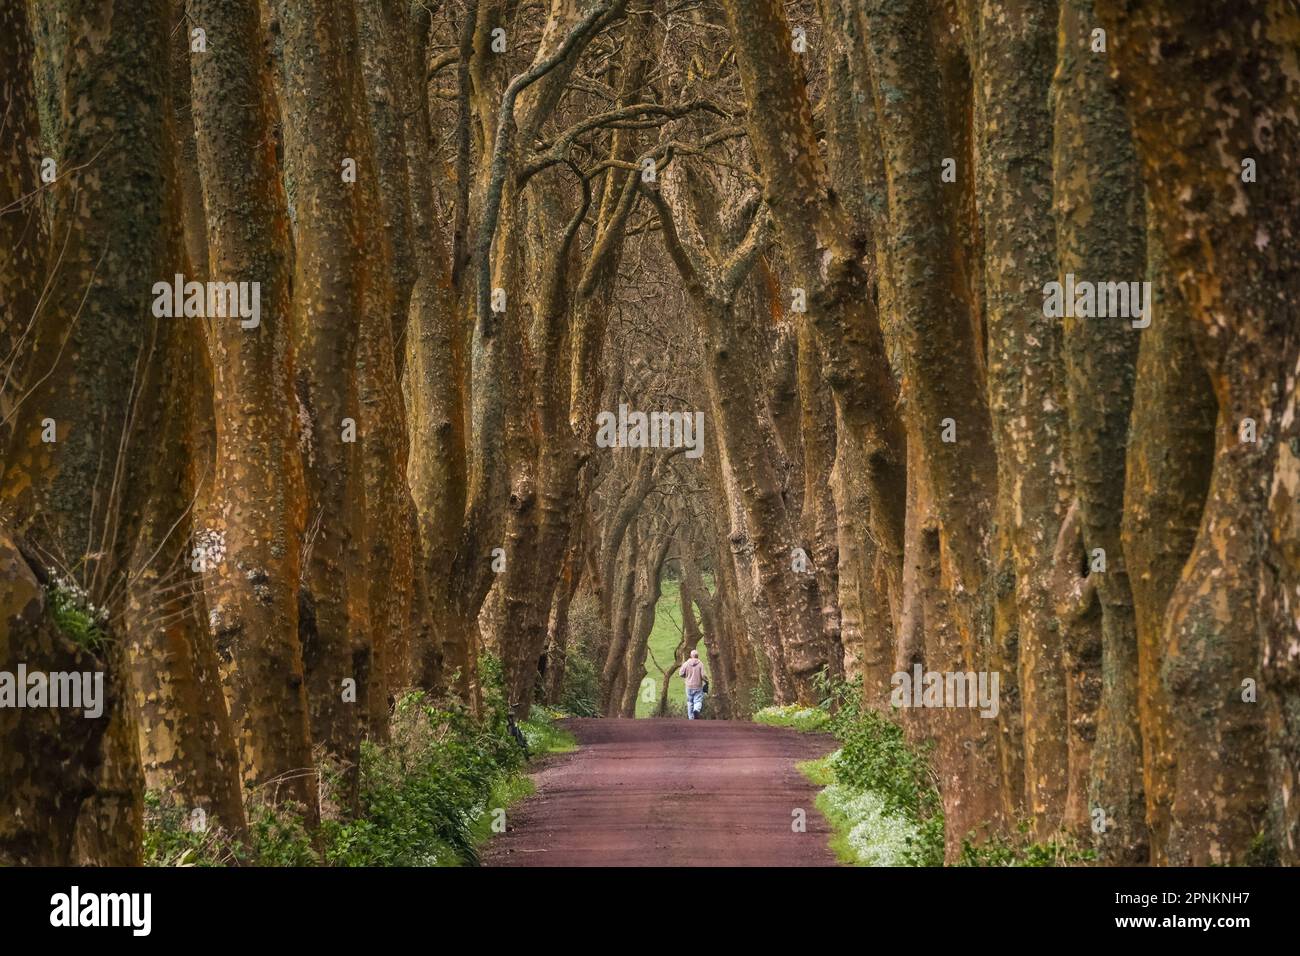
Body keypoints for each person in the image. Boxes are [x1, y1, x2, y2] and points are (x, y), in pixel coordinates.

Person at [679, 649, 708, 720]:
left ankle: (691, 718)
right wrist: (706, 681)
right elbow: (703, 675)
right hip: (698, 686)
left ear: (691, 656)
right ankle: (696, 710)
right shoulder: (700, 664)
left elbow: (680, 673)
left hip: (689, 686)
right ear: (697, 656)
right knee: (698, 700)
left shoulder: (686, 663)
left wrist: (686, 676)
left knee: (689, 701)